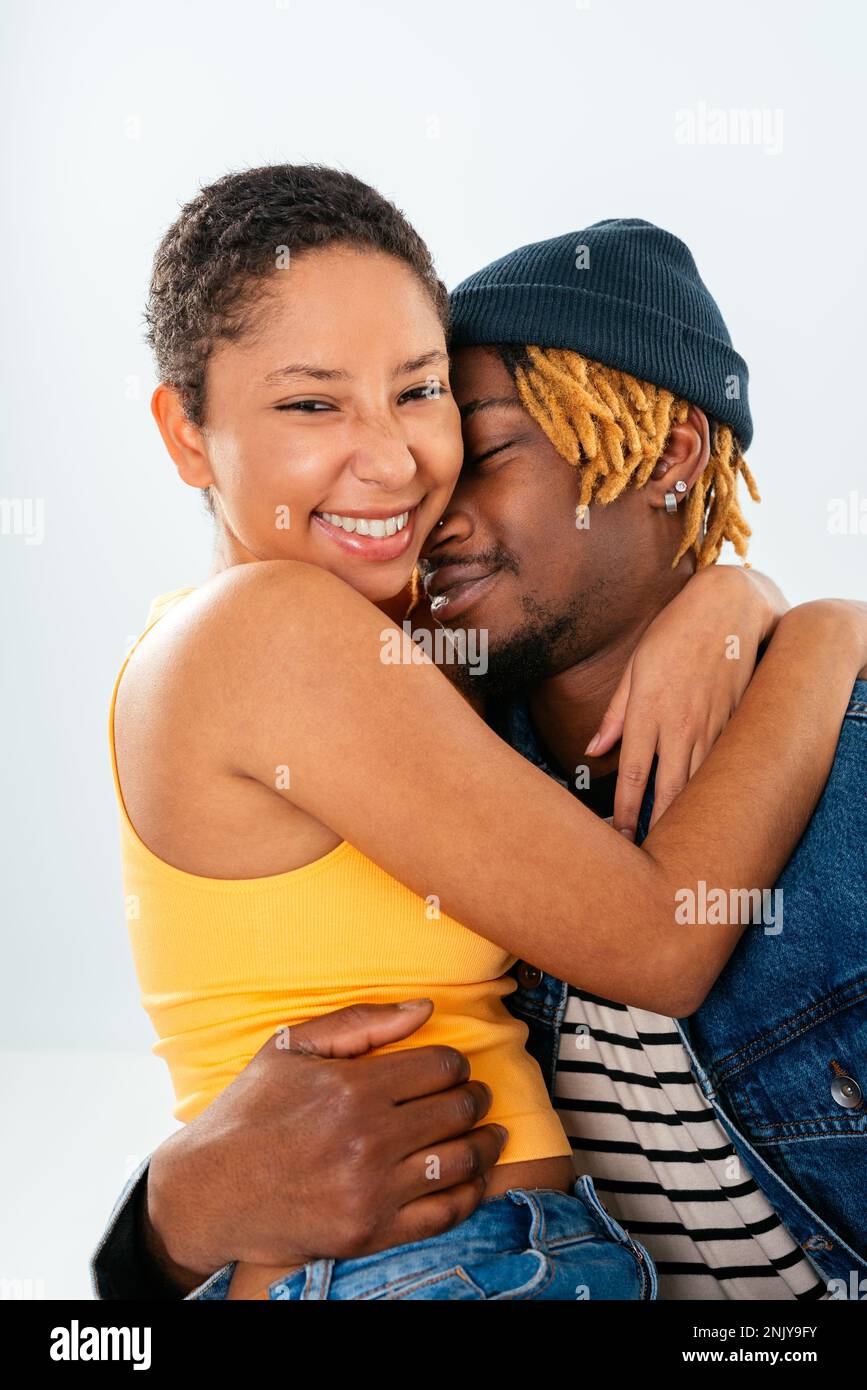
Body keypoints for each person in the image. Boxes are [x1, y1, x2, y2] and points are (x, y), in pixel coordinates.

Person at [94, 169, 867, 1300]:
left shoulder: (449, 693)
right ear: (188, 431)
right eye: (313, 404)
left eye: (426, 400)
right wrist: (826, 631)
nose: (409, 473)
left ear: (671, 457)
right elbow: (657, 942)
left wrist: (756, 603)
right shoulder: (324, 659)